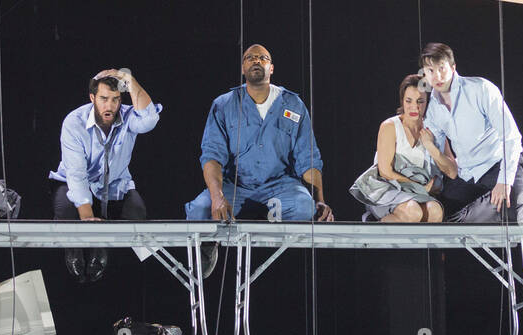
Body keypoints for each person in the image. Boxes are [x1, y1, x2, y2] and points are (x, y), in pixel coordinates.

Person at [185, 44, 332, 275]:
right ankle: (208, 247)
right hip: (236, 186)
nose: (256, 61)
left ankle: (278, 250)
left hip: (279, 186)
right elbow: (212, 156)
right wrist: (217, 198)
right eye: (250, 58)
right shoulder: (223, 105)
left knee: (305, 207)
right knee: (199, 210)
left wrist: (320, 200)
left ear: (271, 68)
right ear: (243, 67)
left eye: (263, 58)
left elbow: (309, 158)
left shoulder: (293, 105)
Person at [418, 43, 523, 272]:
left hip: (500, 165)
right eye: (430, 70)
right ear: (424, 74)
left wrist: (504, 182)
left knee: (513, 209)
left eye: (441, 68)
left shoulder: (481, 89)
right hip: (468, 174)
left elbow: (513, 138)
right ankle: (498, 207)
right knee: (441, 215)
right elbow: (434, 153)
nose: (436, 76)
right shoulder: (434, 109)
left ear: (453, 67)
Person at [50, 69, 161, 283]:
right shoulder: (74, 122)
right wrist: (87, 220)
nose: (109, 106)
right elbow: (76, 174)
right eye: (103, 99)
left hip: (115, 185)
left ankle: (112, 254)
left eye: (115, 99)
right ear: (92, 98)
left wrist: (129, 80)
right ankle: (74, 250)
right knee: (65, 212)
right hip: (72, 183)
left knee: (138, 215)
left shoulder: (129, 116)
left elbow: (150, 119)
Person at [351, 74, 458, 222]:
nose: (414, 107)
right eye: (409, 101)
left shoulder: (434, 129)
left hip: (419, 193)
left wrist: (430, 146)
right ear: (402, 100)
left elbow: (452, 172)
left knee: (436, 212)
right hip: (389, 189)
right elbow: (385, 171)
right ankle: (376, 228)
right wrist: (421, 187)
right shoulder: (390, 126)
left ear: (427, 102)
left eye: (420, 101)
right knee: (413, 211)